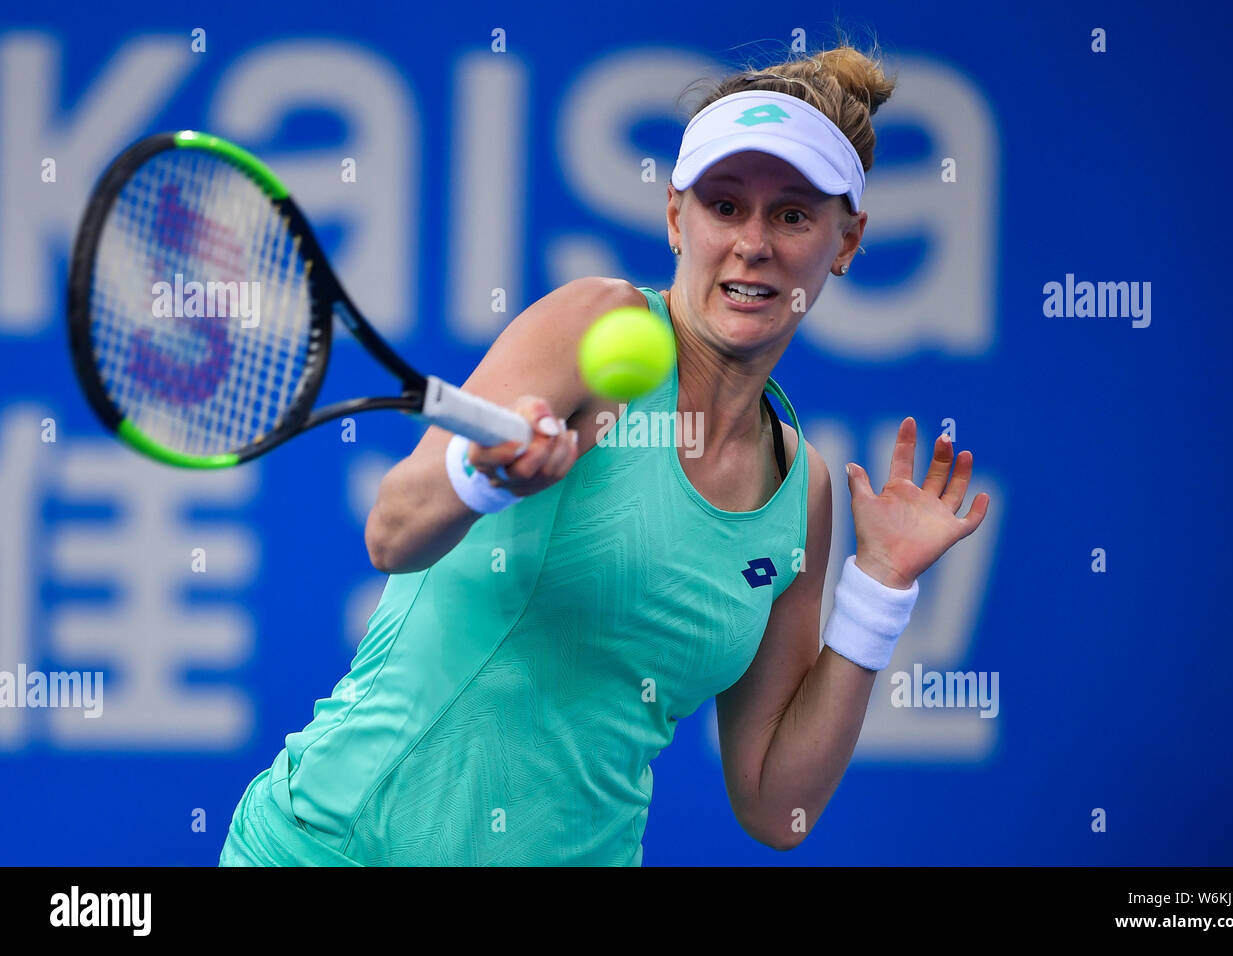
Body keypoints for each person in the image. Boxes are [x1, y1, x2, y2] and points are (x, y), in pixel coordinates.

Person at [219, 40, 988, 866]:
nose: (753, 243)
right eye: (724, 206)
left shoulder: (803, 491)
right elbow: (392, 531)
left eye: (793, 215)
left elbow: (776, 805)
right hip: (330, 849)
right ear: (674, 217)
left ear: (847, 239)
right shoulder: (594, 324)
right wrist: (480, 477)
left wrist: (879, 591)